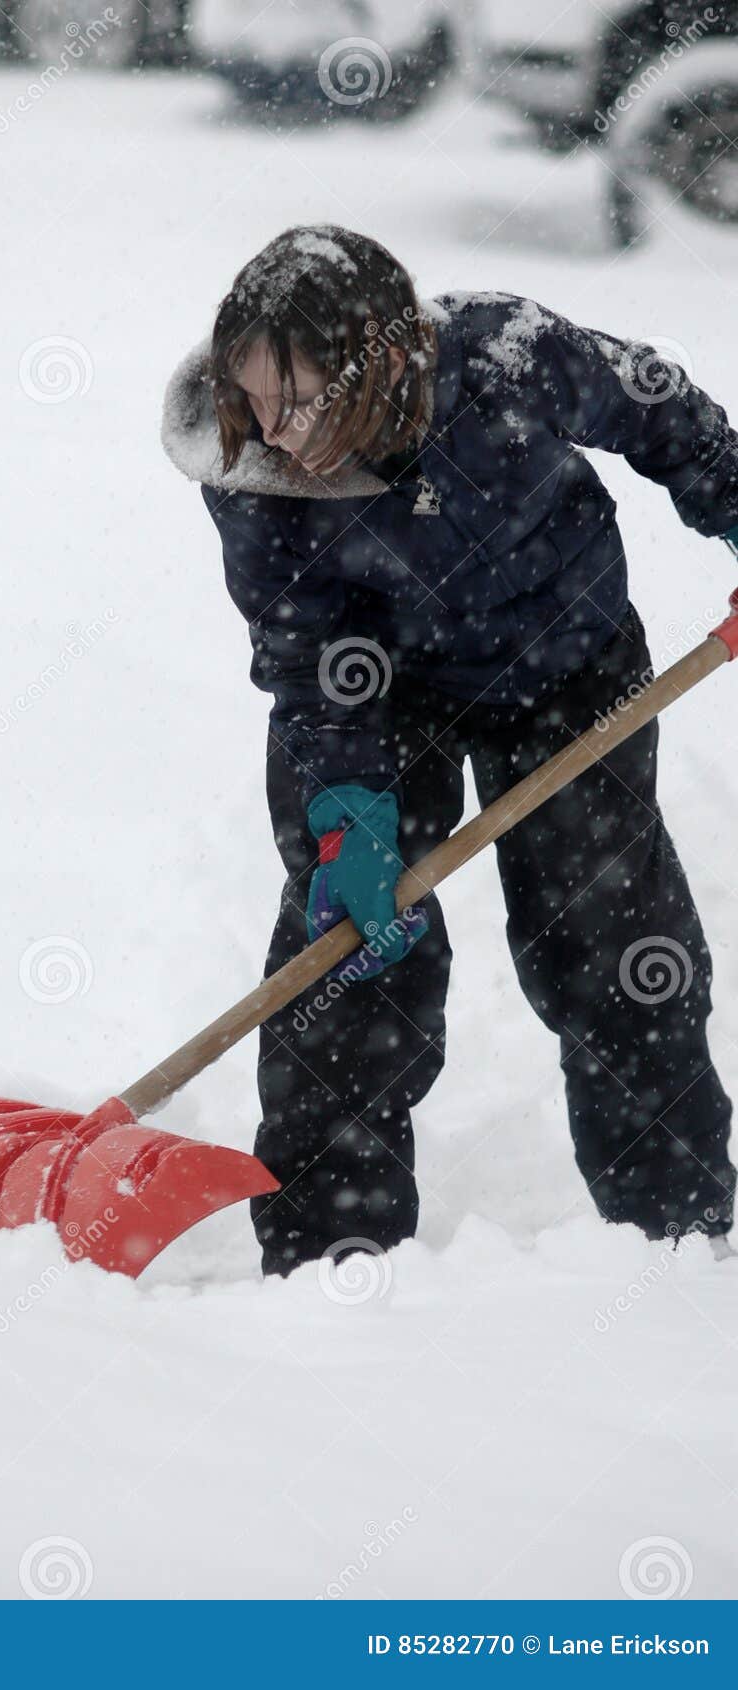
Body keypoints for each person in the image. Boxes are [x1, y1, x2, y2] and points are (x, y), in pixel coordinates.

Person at [160, 223, 738, 1277]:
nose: (278, 433)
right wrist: (348, 814)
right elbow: (301, 644)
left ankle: (678, 1238)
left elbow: (659, 411)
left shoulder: (506, 358)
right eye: (257, 399)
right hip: (376, 697)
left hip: (566, 668)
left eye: (301, 399)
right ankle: (330, 1254)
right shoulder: (247, 461)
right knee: (347, 959)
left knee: (614, 939)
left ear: (381, 360)